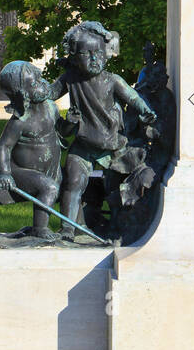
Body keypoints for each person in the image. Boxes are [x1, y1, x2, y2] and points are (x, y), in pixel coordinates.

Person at [52, 22, 156, 242]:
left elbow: (133, 98)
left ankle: (121, 225)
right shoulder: (70, 79)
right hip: (83, 144)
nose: (93, 59)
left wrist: (146, 112)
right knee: (73, 184)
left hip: (114, 145)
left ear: (106, 53)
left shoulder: (112, 80)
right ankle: (68, 229)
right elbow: (49, 94)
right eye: (86, 54)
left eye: (98, 53)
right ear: (73, 56)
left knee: (119, 188)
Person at [0, 60, 66, 241]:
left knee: (69, 186)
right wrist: (5, 174)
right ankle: (39, 228)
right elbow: (4, 146)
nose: (43, 84)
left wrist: (71, 123)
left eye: (41, 78)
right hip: (21, 171)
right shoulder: (20, 120)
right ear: (23, 94)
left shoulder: (51, 107)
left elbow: (62, 130)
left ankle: (73, 226)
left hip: (51, 168)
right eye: (35, 83)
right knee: (49, 188)